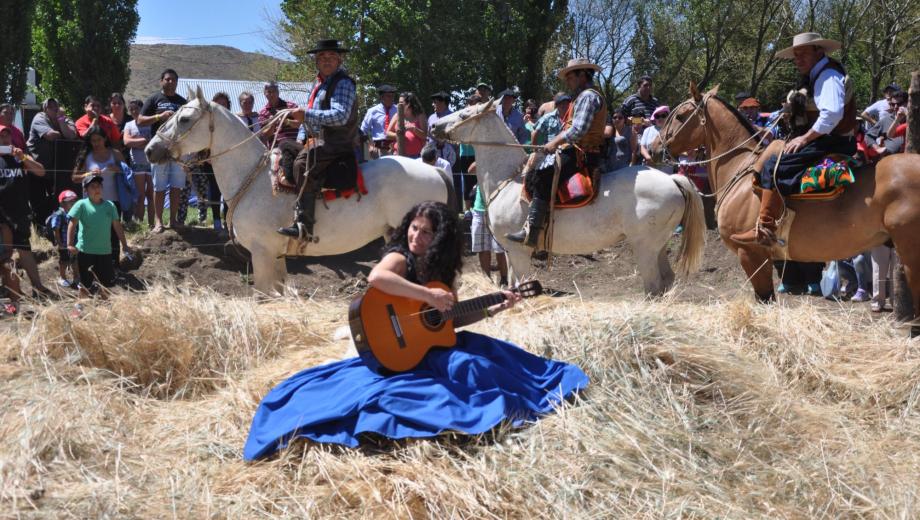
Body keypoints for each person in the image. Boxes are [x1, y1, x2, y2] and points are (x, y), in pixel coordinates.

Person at [242, 201, 588, 459]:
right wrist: (427, 295)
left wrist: (494, 307)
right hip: (402, 353)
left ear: (440, 239)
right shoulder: (400, 258)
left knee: (484, 361)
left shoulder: (443, 272)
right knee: (457, 373)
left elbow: (449, 320)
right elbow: (377, 278)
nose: (416, 236)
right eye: (414, 228)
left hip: (427, 348)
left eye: (426, 232)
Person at [731, 32, 857, 246]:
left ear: (819, 51)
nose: (798, 59)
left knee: (775, 165)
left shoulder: (827, 76)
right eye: (795, 55)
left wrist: (804, 139)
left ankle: (766, 227)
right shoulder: (814, 76)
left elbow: (832, 114)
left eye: (803, 54)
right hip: (827, 137)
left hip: (833, 140)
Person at [507, 58, 607, 247]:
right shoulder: (584, 97)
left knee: (542, 177)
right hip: (579, 152)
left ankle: (532, 233)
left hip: (581, 155)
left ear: (582, 75)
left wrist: (554, 142)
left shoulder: (588, 96)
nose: (568, 81)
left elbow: (578, 130)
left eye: (570, 77)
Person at [277, 39, 359, 241]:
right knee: (285, 146)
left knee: (303, 162)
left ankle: (304, 225)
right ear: (316, 61)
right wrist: (301, 135)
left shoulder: (343, 83)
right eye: (322, 57)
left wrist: (306, 115)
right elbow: (310, 120)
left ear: (339, 60)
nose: (327, 60)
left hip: (336, 142)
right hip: (319, 140)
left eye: (332, 56)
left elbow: (340, 116)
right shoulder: (318, 85)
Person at [71, 126, 135, 269]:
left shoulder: (116, 154)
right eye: (93, 141)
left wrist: (118, 169)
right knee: (93, 232)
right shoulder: (87, 155)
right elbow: (74, 177)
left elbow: (128, 173)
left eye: (98, 140)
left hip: (113, 200)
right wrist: (89, 174)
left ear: (105, 139)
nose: (96, 143)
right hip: (92, 203)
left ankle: (114, 265)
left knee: (114, 233)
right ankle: (93, 265)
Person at [0, 125, 52, 297]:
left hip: (20, 212)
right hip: (1, 215)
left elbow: (41, 171)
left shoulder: (20, 157)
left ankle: (38, 287)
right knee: (5, 255)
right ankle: (12, 291)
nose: (5, 140)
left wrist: (23, 158)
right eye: (1, 137)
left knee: (24, 250)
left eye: (7, 136)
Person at [137, 68, 188, 233]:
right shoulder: (154, 98)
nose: (170, 82)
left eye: (173, 79)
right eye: (167, 79)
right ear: (161, 81)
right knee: (159, 187)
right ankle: (159, 222)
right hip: (159, 149)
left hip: (177, 149)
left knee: (176, 186)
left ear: (177, 82)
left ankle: (173, 220)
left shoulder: (183, 102)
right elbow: (140, 120)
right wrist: (159, 117)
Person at [67, 174, 131, 298]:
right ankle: (81, 307)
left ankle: (105, 310)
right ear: (86, 190)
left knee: (106, 284)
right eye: (92, 186)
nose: (96, 189)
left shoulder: (110, 206)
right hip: (85, 251)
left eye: (99, 186)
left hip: (105, 252)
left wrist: (125, 245)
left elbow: (117, 226)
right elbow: (72, 223)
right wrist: (69, 244)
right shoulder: (81, 204)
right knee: (85, 285)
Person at [27, 97, 78, 224]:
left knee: (57, 200)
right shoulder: (40, 117)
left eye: (56, 106)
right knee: (38, 200)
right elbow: (50, 136)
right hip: (37, 167)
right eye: (50, 107)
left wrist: (61, 120)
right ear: (45, 109)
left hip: (56, 170)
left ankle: (56, 228)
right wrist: (61, 133)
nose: (54, 109)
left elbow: (71, 135)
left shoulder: (64, 118)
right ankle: (39, 228)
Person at [469, 163, 509, 287]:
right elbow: (470, 170)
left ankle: (504, 279)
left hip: (498, 210)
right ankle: (487, 281)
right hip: (480, 209)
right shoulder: (484, 160)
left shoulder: (505, 162)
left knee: (500, 249)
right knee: (483, 248)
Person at [123, 100, 154, 225]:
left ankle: (153, 223)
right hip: (137, 164)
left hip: (152, 163)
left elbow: (154, 141)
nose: (135, 111)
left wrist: (136, 141)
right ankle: (139, 222)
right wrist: (145, 140)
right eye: (132, 109)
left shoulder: (151, 124)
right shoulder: (129, 125)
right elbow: (127, 142)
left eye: (137, 108)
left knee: (151, 195)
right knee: (140, 195)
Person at [46, 190, 80, 288]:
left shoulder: (76, 213)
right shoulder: (59, 214)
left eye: (74, 201)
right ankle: (62, 277)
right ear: (62, 203)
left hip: (75, 243)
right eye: (70, 201)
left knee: (75, 260)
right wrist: (59, 243)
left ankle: (77, 278)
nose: (73, 203)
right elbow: (56, 230)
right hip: (64, 244)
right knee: (64, 261)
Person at [456, 94, 481, 212]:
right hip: (464, 155)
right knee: (466, 181)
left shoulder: (481, 117)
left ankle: (477, 208)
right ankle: (467, 211)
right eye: (471, 105)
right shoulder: (462, 116)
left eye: (475, 105)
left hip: (477, 153)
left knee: (478, 181)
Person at [359, 84, 397, 159]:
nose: (392, 98)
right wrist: (369, 145)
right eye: (389, 96)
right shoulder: (372, 111)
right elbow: (363, 130)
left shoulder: (398, 110)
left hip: (396, 147)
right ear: (382, 97)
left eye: (393, 96)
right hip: (379, 148)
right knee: (382, 170)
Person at [386, 92, 427, 158]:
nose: (399, 105)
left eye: (401, 102)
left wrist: (413, 128)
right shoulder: (397, 116)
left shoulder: (420, 115)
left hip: (415, 156)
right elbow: (387, 133)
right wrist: (399, 136)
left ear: (409, 103)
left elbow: (425, 135)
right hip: (398, 154)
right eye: (398, 102)